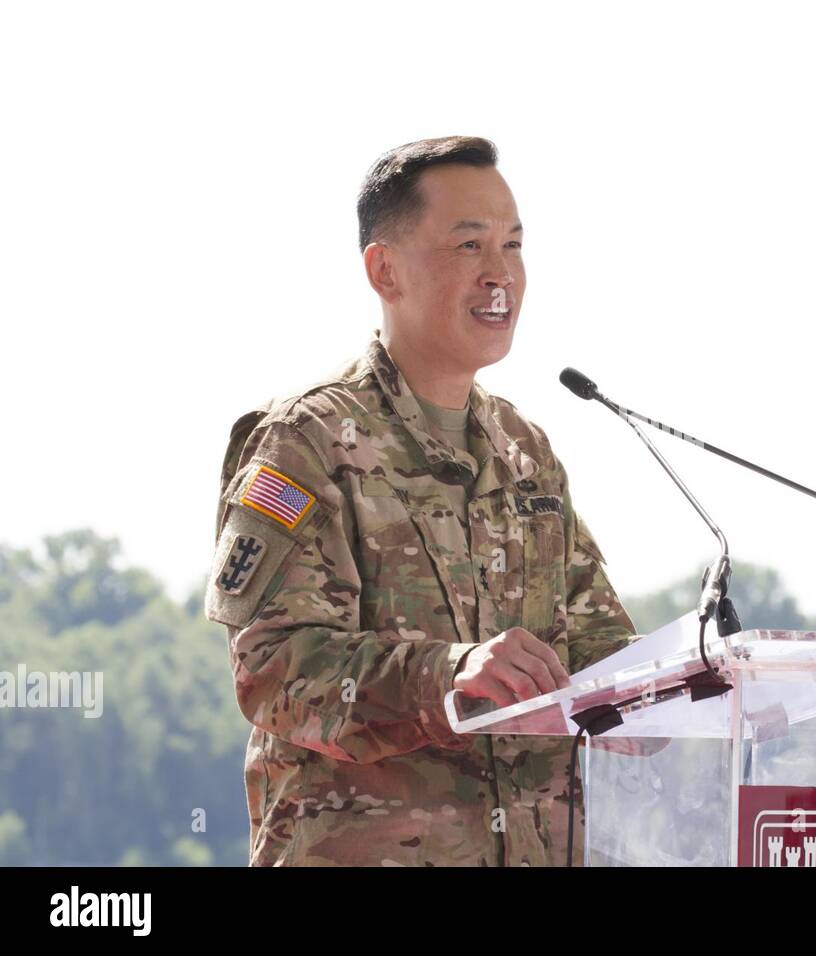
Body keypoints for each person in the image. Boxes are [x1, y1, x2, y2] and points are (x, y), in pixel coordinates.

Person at [204, 135, 638, 866]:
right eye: (469, 246)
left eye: (513, 245)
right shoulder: (305, 443)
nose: (500, 274)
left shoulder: (523, 451)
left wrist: (697, 682)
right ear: (385, 269)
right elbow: (275, 671)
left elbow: (600, 657)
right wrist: (449, 677)